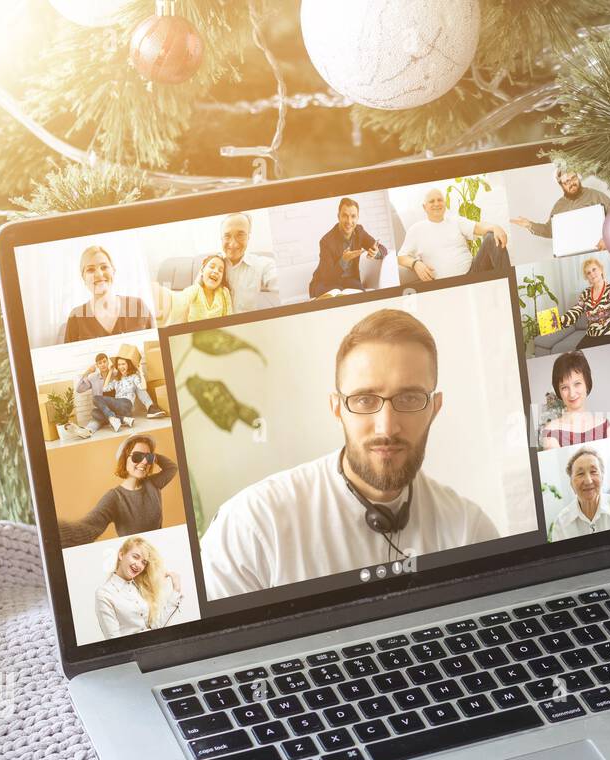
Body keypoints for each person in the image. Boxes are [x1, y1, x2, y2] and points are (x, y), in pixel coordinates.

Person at [201, 308, 500, 599]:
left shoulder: (470, 531)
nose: (387, 427)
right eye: (365, 399)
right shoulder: (251, 526)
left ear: (434, 408)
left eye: (409, 398)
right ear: (337, 408)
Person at [59, 433, 178, 547]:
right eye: (137, 456)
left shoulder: (152, 484)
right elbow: (90, 525)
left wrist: (154, 457)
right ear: (124, 458)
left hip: (161, 548)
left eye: (149, 457)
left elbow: (171, 468)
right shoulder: (115, 497)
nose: (145, 462)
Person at [396, 188, 510, 282]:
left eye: (440, 200)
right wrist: (415, 263)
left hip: (473, 273)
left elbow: (478, 227)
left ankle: (509, 282)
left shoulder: (456, 221)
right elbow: (401, 257)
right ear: (424, 207)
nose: (436, 204)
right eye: (432, 201)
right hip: (445, 284)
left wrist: (495, 226)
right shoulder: (416, 229)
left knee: (491, 236)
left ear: (444, 204)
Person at [95, 536, 184, 640]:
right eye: (135, 557)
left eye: (144, 562)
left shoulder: (139, 588)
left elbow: (155, 627)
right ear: (121, 554)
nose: (139, 565)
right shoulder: (104, 594)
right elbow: (115, 643)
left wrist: (176, 591)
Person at [63, 246, 154, 344]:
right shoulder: (75, 317)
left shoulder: (138, 306)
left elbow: (156, 348)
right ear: (84, 278)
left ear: (113, 271)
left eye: (104, 267)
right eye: (90, 270)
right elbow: (68, 358)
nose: (99, 274)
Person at [550, 446, 610, 540]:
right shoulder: (561, 523)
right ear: (571, 483)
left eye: (593, 471)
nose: (588, 481)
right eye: (580, 474)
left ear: (602, 478)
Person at [511, 169, 610, 248]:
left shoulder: (594, 195)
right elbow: (550, 231)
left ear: (578, 177)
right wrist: (530, 225)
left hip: (599, 249)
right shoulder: (559, 206)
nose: (571, 183)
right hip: (572, 252)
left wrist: (607, 238)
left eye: (573, 178)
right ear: (561, 185)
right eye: (566, 182)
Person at [309, 197, 388, 297]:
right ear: (338, 216)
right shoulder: (326, 241)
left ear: (358, 217)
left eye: (353, 216)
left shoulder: (359, 231)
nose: (349, 221)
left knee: (362, 295)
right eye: (345, 216)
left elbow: (382, 249)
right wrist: (343, 261)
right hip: (325, 282)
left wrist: (377, 253)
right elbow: (327, 277)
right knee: (334, 295)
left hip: (349, 281)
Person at [540, 350, 610, 449]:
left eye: (577, 384)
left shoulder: (604, 426)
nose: (572, 394)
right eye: (564, 387)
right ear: (558, 391)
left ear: (587, 383)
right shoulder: (551, 431)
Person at [556, 257, 610, 346]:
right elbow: (576, 311)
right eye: (588, 273)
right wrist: (555, 322)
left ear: (601, 270)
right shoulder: (585, 293)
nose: (592, 274)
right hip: (592, 335)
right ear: (587, 277)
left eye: (594, 269)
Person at [221, 212, 280, 312]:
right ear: (221, 238)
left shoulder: (262, 265)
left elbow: (279, 282)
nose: (233, 244)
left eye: (240, 235)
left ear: (248, 237)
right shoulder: (210, 266)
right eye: (227, 236)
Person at [94, 354, 163, 432]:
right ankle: (123, 419)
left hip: (126, 404)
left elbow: (143, 387)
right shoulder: (117, 379)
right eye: (119, 364)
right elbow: (105, 388)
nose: (121, 367)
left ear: (128, 365)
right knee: (95, 413)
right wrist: (110, 371)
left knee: (96, 398)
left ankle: (113, 418)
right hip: (120, 409)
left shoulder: (134, 377)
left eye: (123, 364)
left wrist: (141, 372)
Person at [163, 253, 234, 324]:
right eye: (212, 267)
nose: (216, 271)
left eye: (220, 270)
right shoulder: (195, 289)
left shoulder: (224, 292)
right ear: (202, 270)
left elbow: (229, 320)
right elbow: (180, 299)